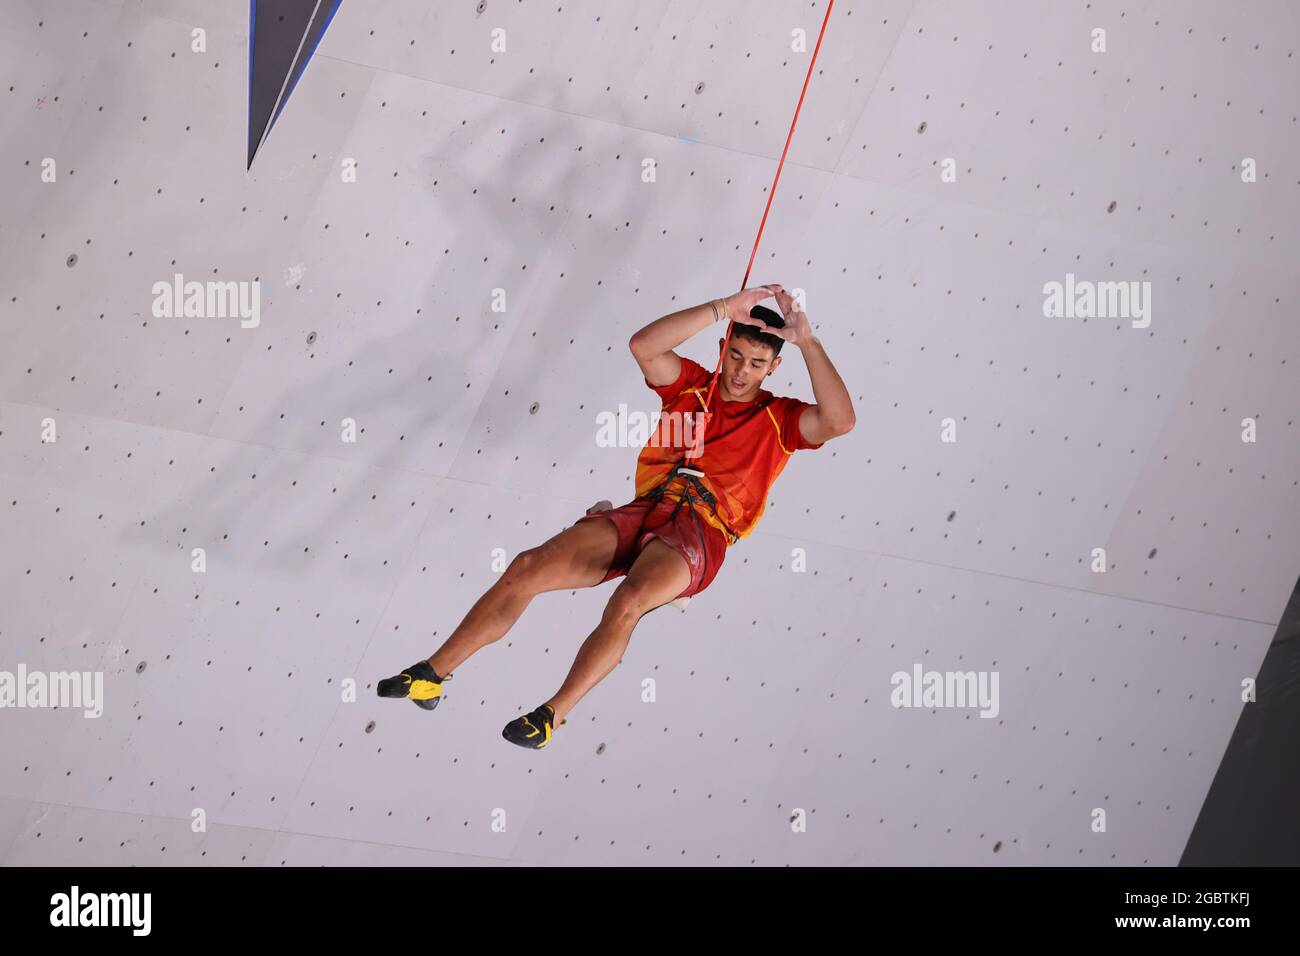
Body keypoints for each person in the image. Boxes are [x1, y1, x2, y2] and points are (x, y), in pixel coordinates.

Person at [377, 283, 856, 748]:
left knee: (628, 600)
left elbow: (839, 421)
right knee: (527, 566)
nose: (740, 372)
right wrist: (723, 306)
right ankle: (431, 675)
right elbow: (643, 345)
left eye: (755, 364)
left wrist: (806, 341)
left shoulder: (781, 419)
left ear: (773, 368)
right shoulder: (691, 385)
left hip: (701, 531)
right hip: (645, 510)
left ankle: (551, 716)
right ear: (723, 346)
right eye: (734, 355)